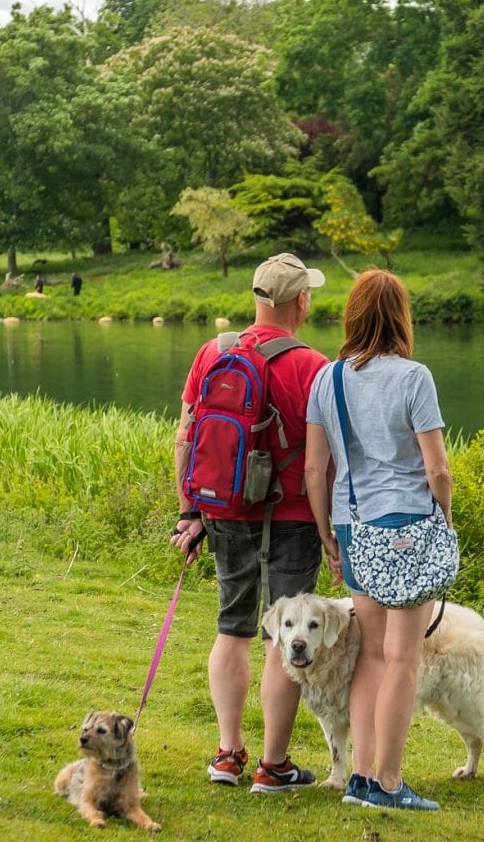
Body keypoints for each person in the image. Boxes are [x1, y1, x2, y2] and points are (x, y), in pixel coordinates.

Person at [169, 252, 329, 793]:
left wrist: (191, 512)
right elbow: (317, 462)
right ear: (300, 300)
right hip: (292, 518)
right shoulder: (312, 366)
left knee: (231, 629)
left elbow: (186, 437)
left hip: (224, 512)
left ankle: (226, 753)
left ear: (258, 298)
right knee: (285, 639)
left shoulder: (214, 351)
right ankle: (273, 766)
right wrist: (329, 529)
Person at [303, 269, 454, 812]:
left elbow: (315, 471)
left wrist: (327, 534)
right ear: (400, 318)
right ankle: (388, 784)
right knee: (403, 658)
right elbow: (437, 470)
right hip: (408, 528)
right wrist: (447, 519)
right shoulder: (414, 378)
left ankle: (360, 777)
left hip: (353, 525)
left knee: (370, 654)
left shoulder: (328, 379)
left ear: (353, 315)